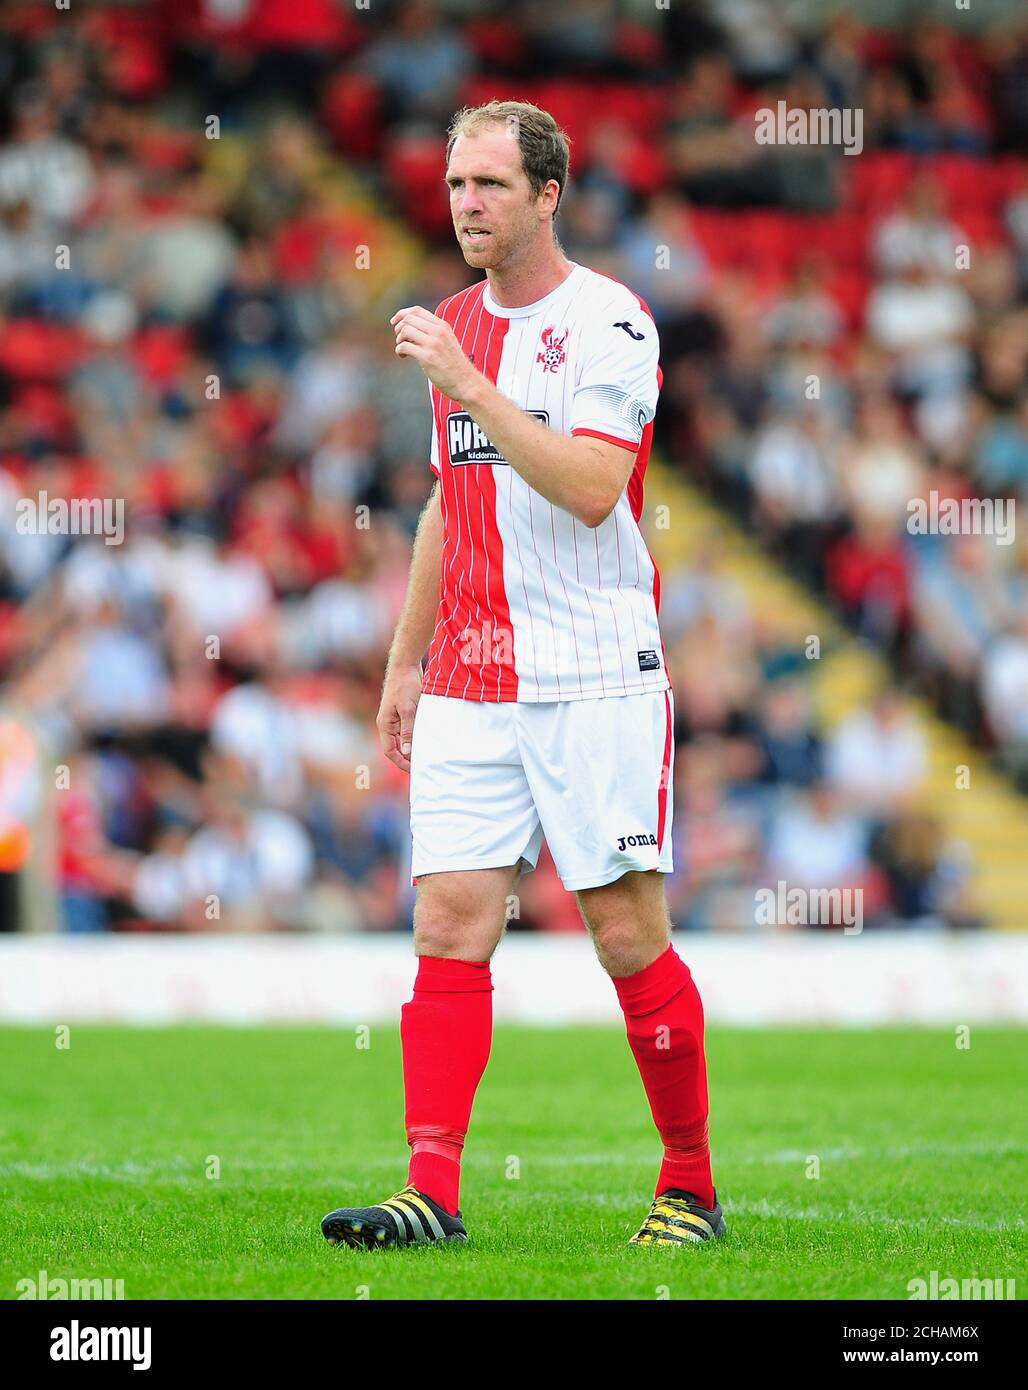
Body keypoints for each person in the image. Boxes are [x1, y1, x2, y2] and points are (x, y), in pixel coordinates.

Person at [321, 101, 723, 1250]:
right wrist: (407, 659)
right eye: (455, 186)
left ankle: (688, 1185)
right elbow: (454, 498)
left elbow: (595, 488)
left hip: (593, 665)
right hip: (470, 672)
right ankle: (430, 1189)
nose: (466, 206)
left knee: (621, 935)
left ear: (548, 195)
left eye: (490, 186)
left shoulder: (610, 324)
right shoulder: (452, 322)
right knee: (448, 925)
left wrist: (474, 382)